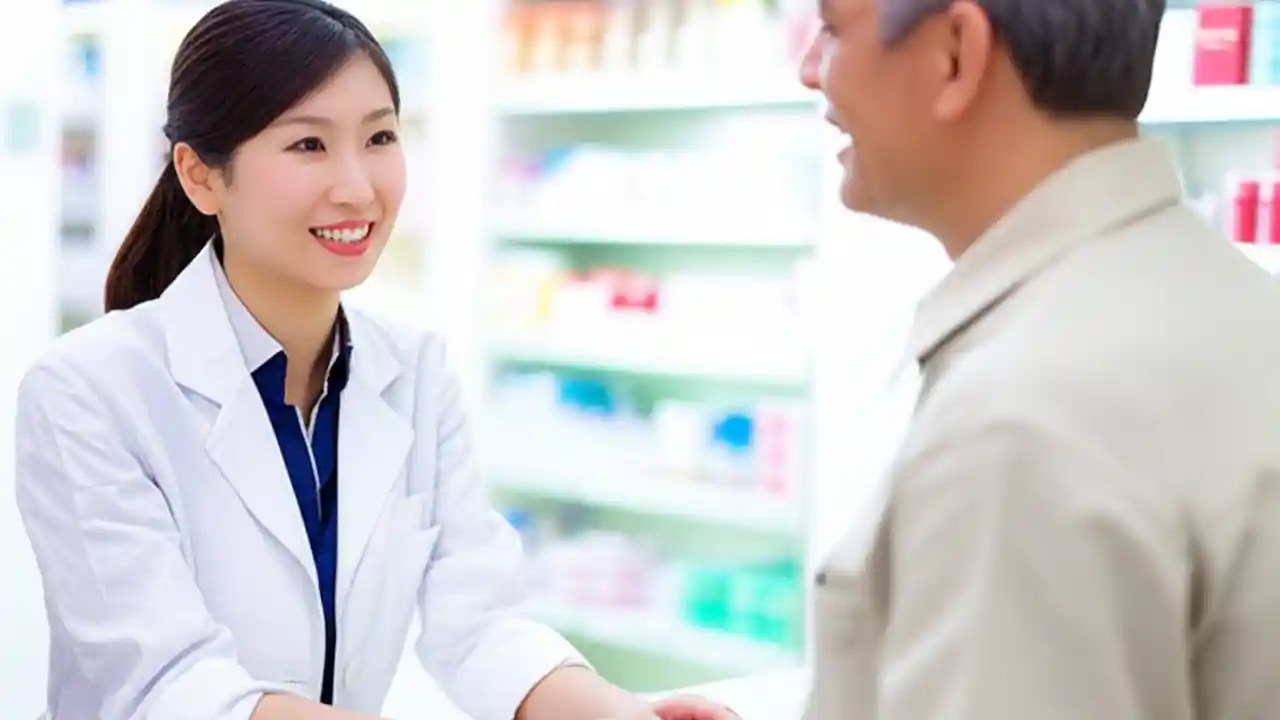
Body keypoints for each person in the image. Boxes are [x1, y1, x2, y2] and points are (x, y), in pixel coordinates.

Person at [12, 2, 738, 719]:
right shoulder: (89, 390)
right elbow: (170, 686)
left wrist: (616, 714)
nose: (358, 188)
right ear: (201, 176)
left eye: (380, 137)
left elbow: (480, 622)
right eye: (308, 145)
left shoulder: (415, 372)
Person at [797, 0, 1280, 718]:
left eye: (834, 29)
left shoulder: (1017, 423)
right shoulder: (1242, 305)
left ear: (956, 53)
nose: (810, 69)